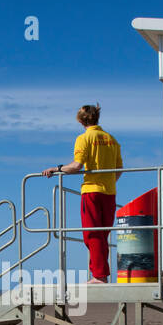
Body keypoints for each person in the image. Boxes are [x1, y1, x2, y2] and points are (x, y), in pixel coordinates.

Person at [41, 104, 121, 283]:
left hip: (92, 191)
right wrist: (108, 182)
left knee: (92, 234)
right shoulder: (111, 139)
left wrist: (57, 168)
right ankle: (100, 274)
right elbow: (119, 168)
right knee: (102, 234)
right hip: (109, 192)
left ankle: (99, 276)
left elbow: (76, 166)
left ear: (80, 120)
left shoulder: (84, 138)